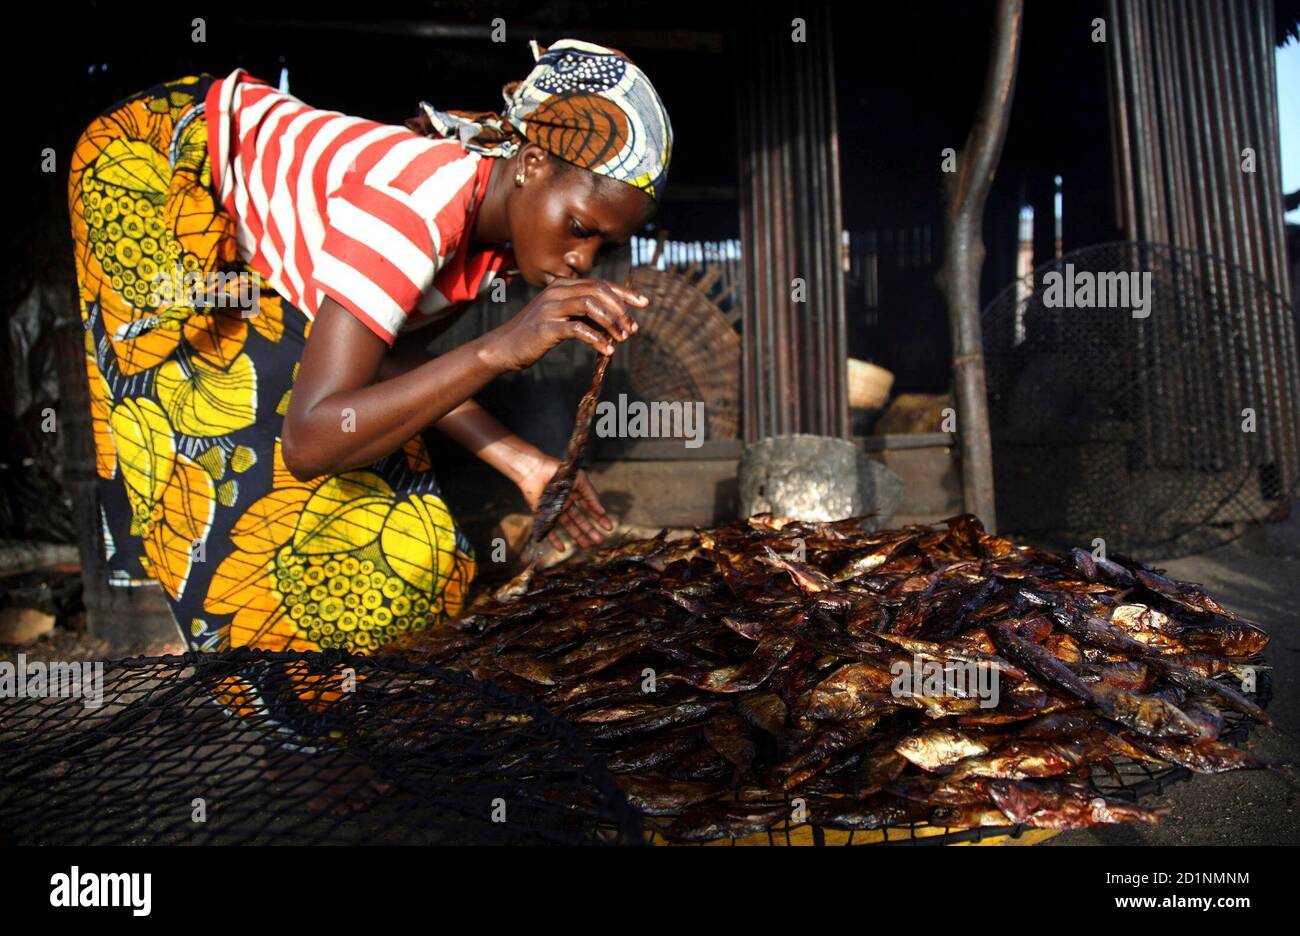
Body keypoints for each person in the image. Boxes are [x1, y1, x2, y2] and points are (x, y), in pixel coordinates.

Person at [67, 38, 673, 664]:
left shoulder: (501, 240)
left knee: (413, 544)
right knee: (225, 452)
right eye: (580, 228)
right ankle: (271, 697)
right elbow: (310, 441)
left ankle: (338, 698)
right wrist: (499, 348)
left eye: (603, 246)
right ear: (533, 164)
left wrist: (525, 465)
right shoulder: (415, 206)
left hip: (249, 238)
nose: (582, 260)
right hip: (159, 165)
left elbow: (389, 356)